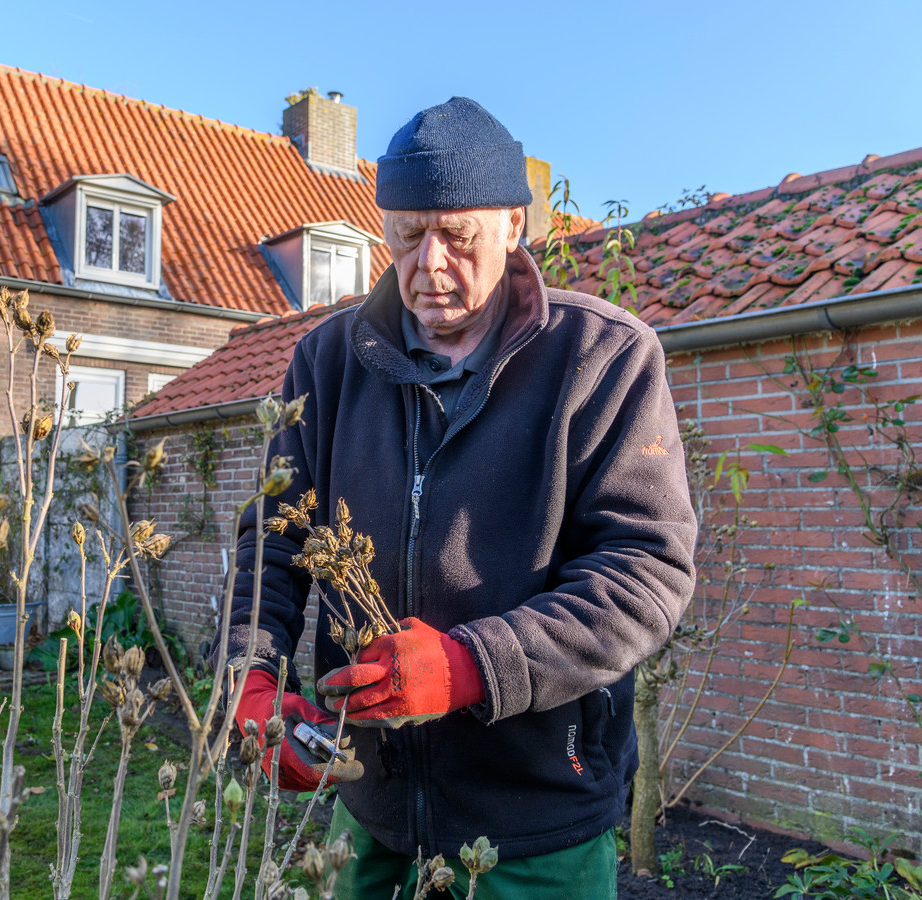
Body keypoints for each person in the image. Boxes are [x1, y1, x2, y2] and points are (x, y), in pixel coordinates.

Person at [221, 96, 697, 899]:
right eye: (405, 236)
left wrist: (475, 665)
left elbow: (644, 572)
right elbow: (272, 539)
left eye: (457, 236)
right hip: (368, 809)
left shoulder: (604, 357)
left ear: (515, 224)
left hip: (538, 821)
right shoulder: (326, 362)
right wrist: (250, 679)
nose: (428, 265)